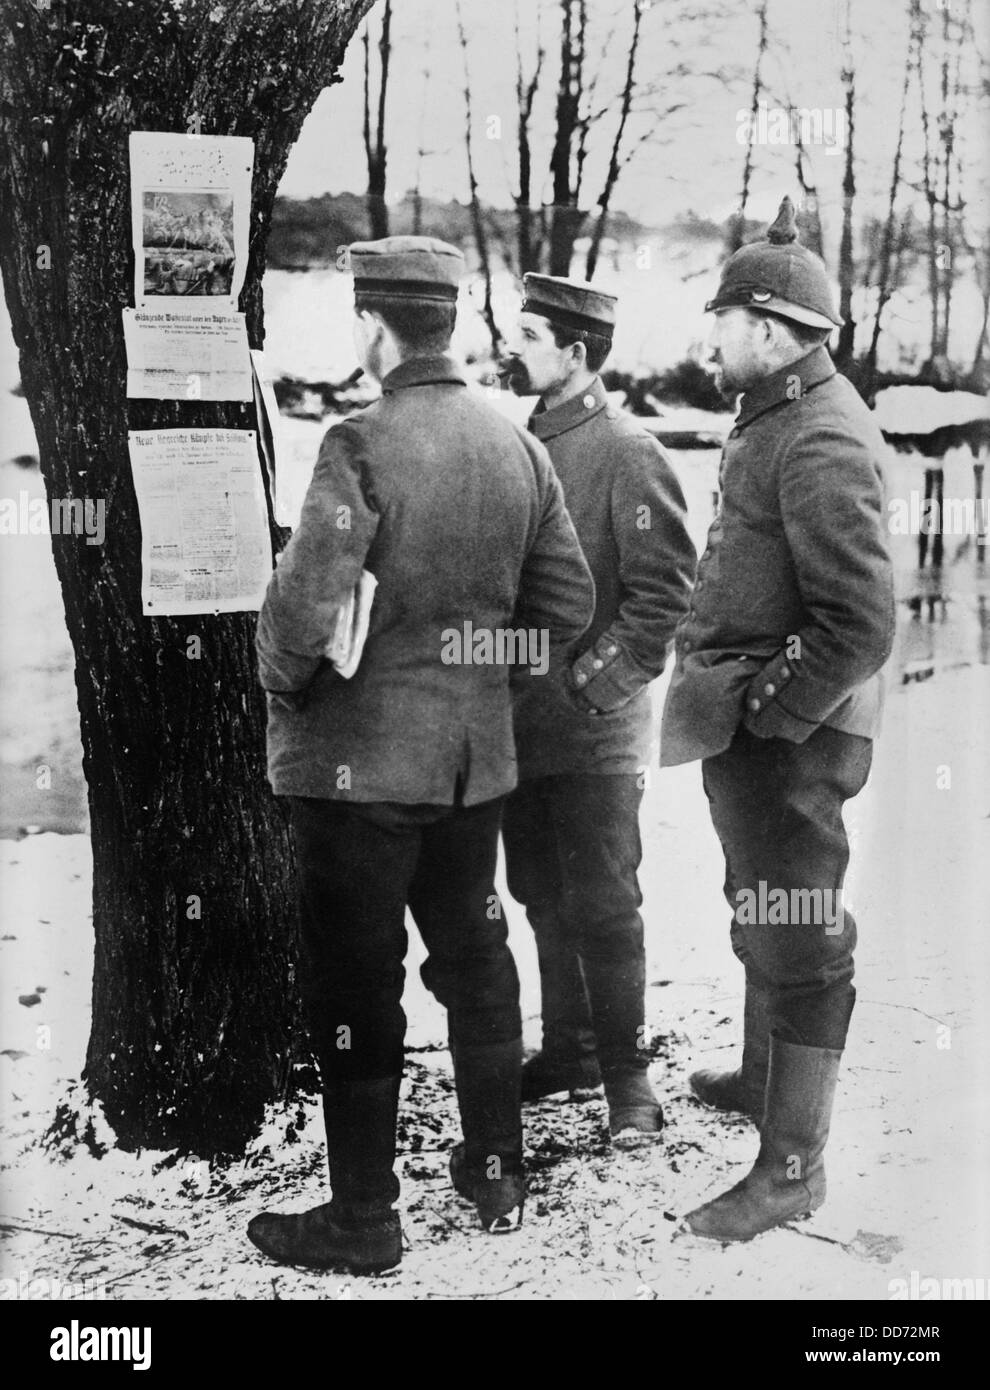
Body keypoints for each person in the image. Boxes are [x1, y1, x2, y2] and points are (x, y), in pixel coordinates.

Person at [248, 236, 595, 1273]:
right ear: (446, 321)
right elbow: (568, 603)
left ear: (374, 325)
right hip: (470, 768)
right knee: (477, 964)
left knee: (357, 988)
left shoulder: (357, 443)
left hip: (357, 776)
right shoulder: (517, 447)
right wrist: (479, 669)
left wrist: (278, 671)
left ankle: (363, 1219)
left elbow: (302, 616)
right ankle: (496, 1170)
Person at [661, 197, 896, 1240]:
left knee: (801, 930)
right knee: (762, 903)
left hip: (795, 736)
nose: (708, 339)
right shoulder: (777, 415)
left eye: (720, 319)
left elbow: (864, 619)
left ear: (766, 327)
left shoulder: (818, 436)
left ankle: (793, 1165)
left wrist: (773, 710)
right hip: (759, 727)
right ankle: (765, 1079)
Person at [501, 274, 696, 1144]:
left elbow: (664, 597)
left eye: (531, 336)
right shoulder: (517, 442)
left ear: (575, 353)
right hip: (520, 726)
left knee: (606, 905)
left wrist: (592, 686)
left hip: (597, 732)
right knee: (539, 892)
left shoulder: (627, 449)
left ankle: (628, 1079)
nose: (515, 349)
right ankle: (569, 1050)